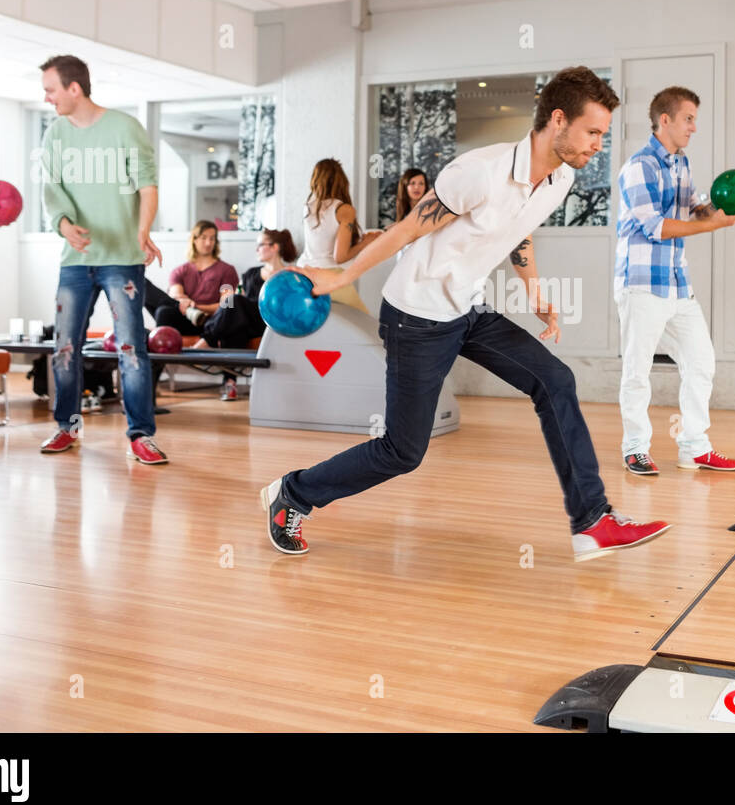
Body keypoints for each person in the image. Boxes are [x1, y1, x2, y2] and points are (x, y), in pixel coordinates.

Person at [261, 66, 670, 562]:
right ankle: (295, 494)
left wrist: (534, 290)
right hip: (416, 316)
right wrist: (341, 275)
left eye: (601, 135)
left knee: (555, 380)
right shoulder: (480, 171)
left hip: (467, 309)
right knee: (402, 452)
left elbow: (520, 229)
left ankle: (593, 521)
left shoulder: (558, 177)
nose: (597, 145)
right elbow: (411, 228)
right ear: (558, 121)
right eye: (593, 132)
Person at [38, 53, 168, 464]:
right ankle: (66, 427)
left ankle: (141, 435)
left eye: (51, 90)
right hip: (74, 260)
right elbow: (51, 189)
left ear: (74, 88)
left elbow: (148, 185)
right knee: (64, 348)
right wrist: (63, 224)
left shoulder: (125, 127)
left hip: (122, 258)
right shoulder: (55, 134)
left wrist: (143, 230)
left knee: (131, 349)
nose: (47, 99)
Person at [614, 86, 735, 476]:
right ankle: (635, 448)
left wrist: (718, 209)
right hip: (641, 285)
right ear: (665, 120)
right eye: (688, 118)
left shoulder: (679, 162)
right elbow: (656, 227)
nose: (694, 127)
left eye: (695, 119)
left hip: (676, 285)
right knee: (637, 370)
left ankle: (694, 448)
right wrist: (711, 226)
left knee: (701, 361)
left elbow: (692, 205)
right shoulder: (639, 166)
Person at [153, 220, 243, 399]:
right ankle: (152, 380)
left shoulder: (227, 271)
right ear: (194, 239)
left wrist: (198, 307)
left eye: (212, 238)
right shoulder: (180, 271)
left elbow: (227, 304)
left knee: (234, 314)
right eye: (204, 238)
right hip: (188, 319)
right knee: (164, 311)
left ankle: (229, 383)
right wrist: (186, 305)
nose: (209, 242)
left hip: (215, 322)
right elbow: (177, 296)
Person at [295, 158, 378, 314]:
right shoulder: (344, 209)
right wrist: (366, 242)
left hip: (304, 274)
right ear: (342, 181)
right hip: (329, 274)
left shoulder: (307, 208)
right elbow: (340, 256)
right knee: (363, 323)